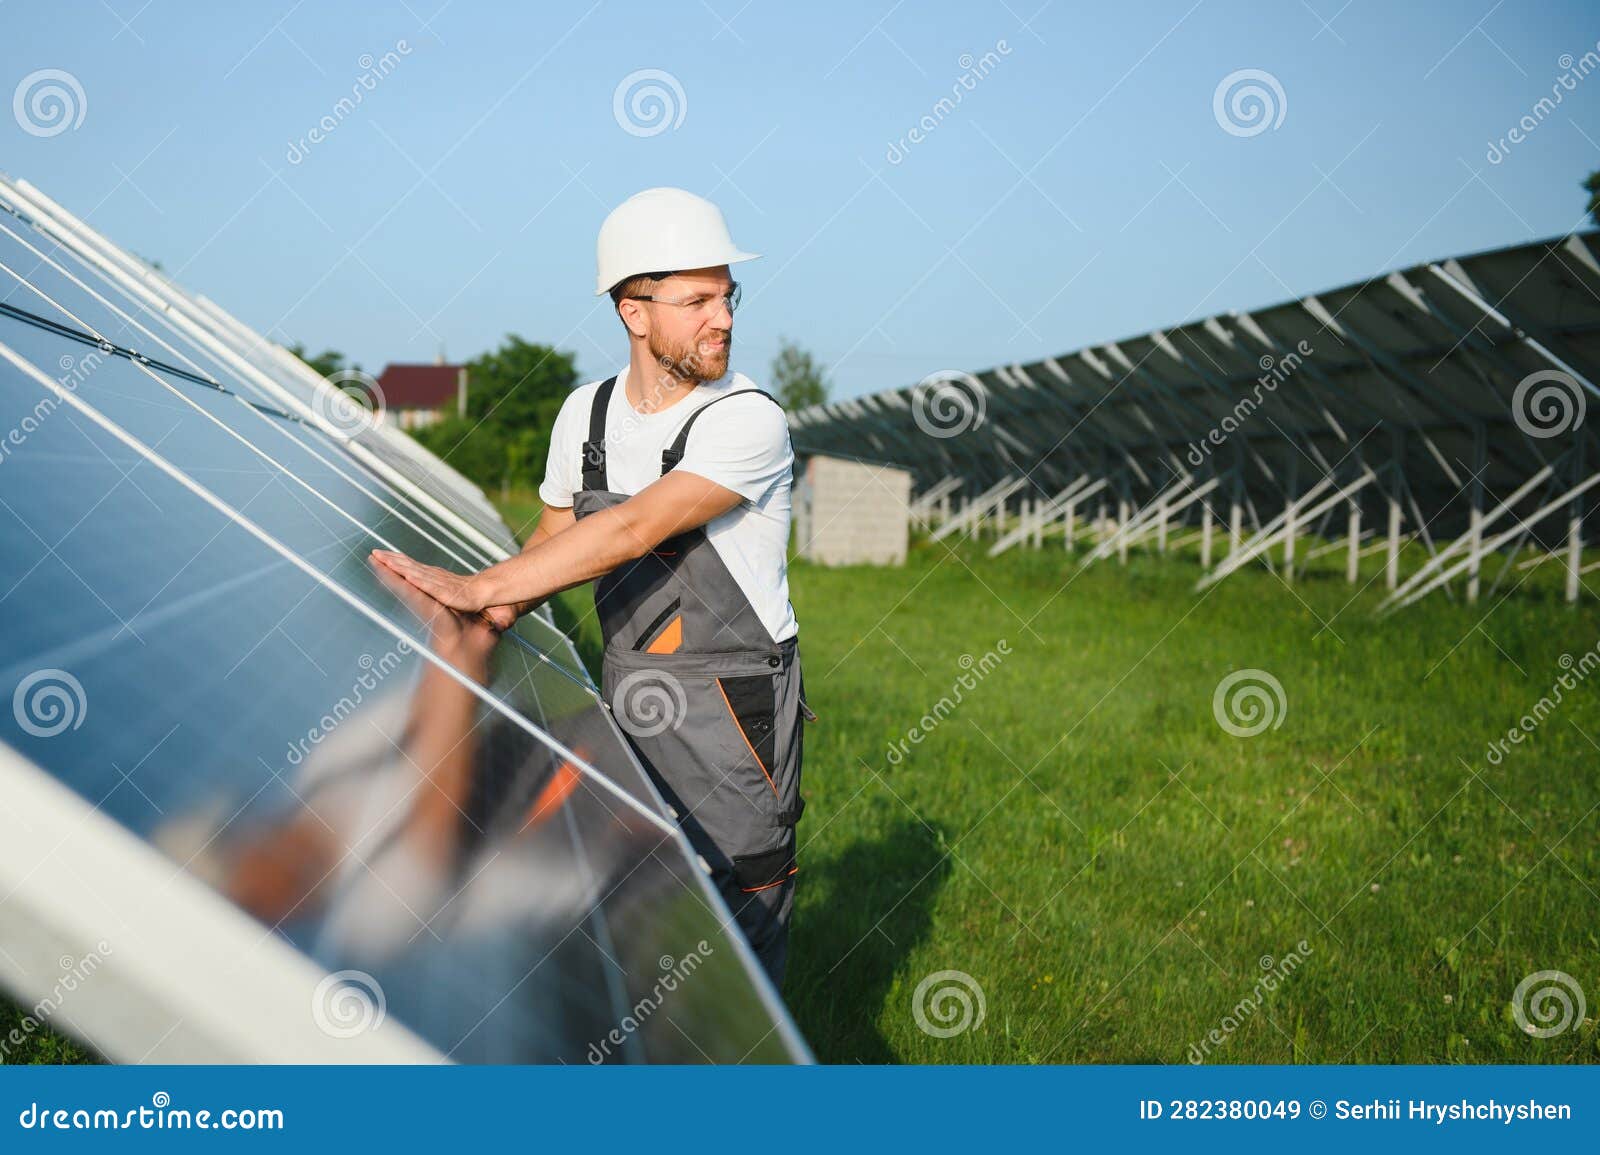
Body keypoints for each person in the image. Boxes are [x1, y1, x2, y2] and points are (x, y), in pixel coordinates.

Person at [371, 186, 812, 987]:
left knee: (736, 926)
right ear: (632, 311)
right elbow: (556, 538)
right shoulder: (588, 413)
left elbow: (633, 529)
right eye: (698, 300)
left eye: (728, 295)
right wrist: (488, 612)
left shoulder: (748, 420)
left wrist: (480, 586)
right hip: (632, 706)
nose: (725, 318)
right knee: (631, 926)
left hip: (733, 723)